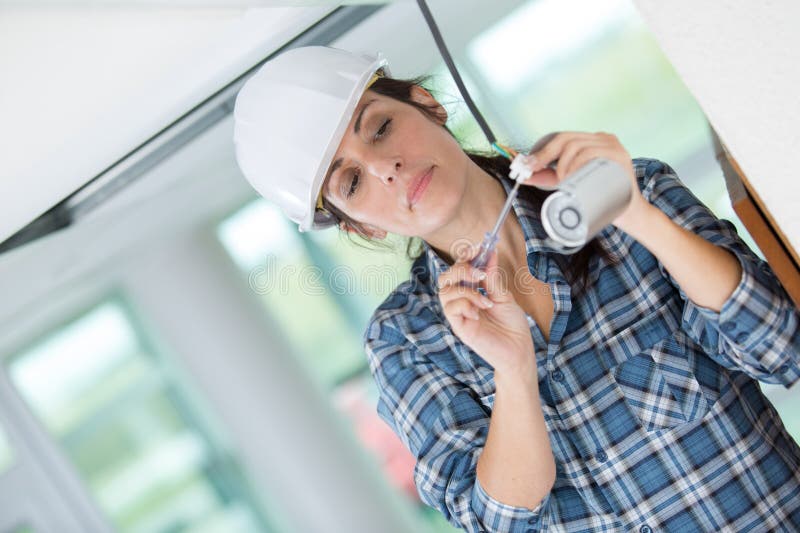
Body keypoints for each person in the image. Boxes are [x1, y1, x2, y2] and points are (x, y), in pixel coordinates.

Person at [233, 46, 800, 532]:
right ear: (362, 225)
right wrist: (513, 372)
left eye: (379, 127)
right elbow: (501, 521)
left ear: (427, 104)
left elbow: (784, 348)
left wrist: (637, 216)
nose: (385, 167)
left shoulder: (628, 191)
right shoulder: (406, 341)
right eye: (352, 181)